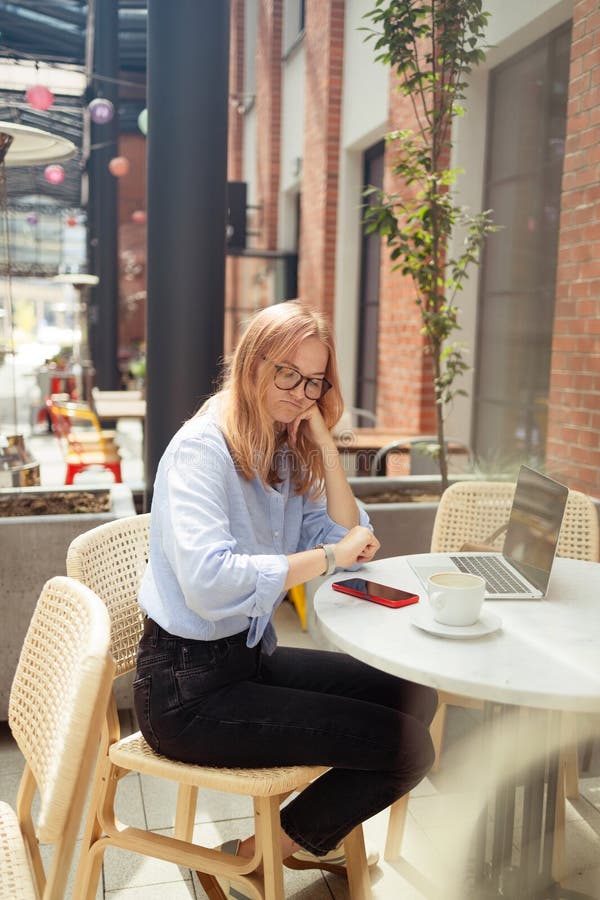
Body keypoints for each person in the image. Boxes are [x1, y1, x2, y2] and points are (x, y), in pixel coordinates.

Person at [134, 301, 437, 897]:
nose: (301, 393)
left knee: (414, 694)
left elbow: (349, 535)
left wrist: (323, 441)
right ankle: (257, 856)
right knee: (409, 748)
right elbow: (211, 582)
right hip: (185, 691)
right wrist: (327, 560)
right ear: (252, 365)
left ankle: (291, 836)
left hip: (248, 658)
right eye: (288, 375)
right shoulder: (203, 450)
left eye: (316, 381)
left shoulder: (276, 446)